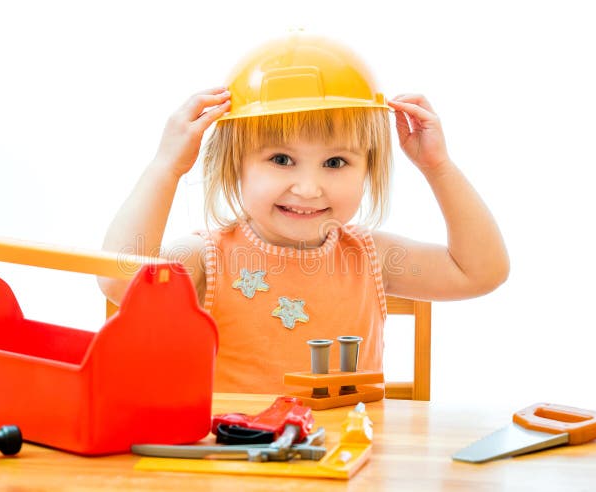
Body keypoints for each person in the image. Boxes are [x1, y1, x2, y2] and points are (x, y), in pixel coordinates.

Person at [100, 32, 509, 394]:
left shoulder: (372, 257)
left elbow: (481, 272)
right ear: (235, 163)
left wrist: (438, 167)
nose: (309, 188)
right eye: (281, 159)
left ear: (368, 169)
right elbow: (118, 279)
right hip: (240, 452)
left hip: (347, 455)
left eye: (335, 162)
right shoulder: (207, 257)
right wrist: (166, 167)